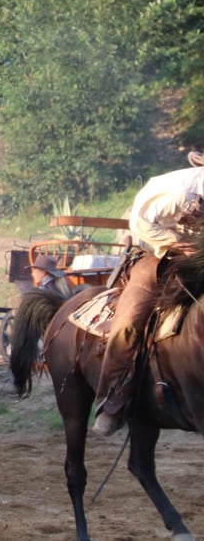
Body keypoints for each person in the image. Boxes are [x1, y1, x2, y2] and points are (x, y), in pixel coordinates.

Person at [94, 166, 204, 436]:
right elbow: (141, 223)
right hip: (154, 246)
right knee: (129, 322)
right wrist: (176, 243)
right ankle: (113, 397)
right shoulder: (181, 193)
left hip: (196, 250)